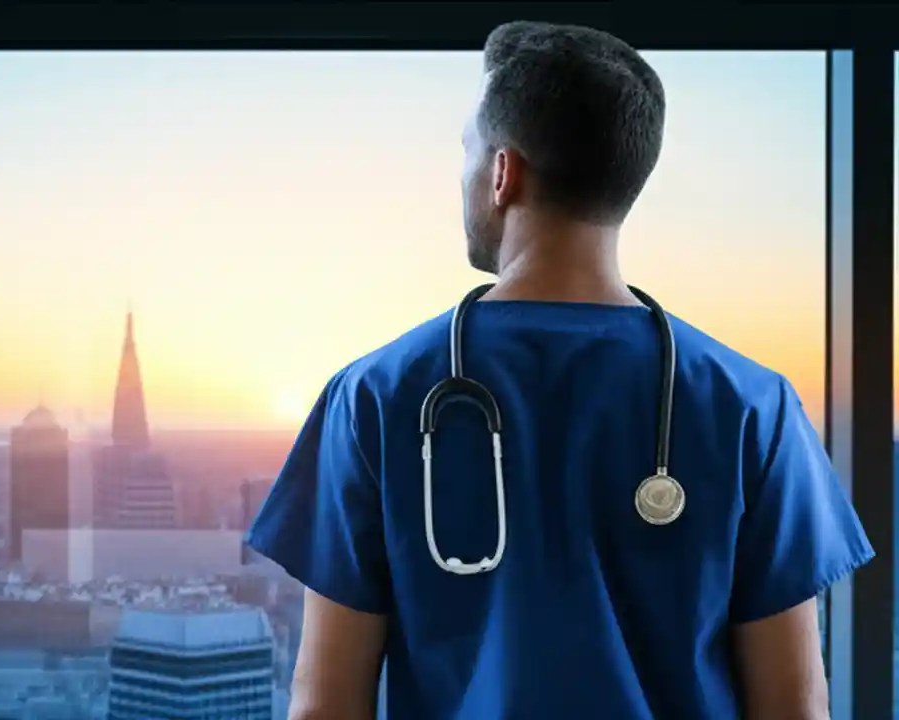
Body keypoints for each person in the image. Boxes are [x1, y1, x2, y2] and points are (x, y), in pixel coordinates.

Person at [245, 20, 873, 720]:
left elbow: (325, 706)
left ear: (503, 172)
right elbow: (794, 707)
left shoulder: (372, 398)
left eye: (467, 153)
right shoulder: (756, 408)